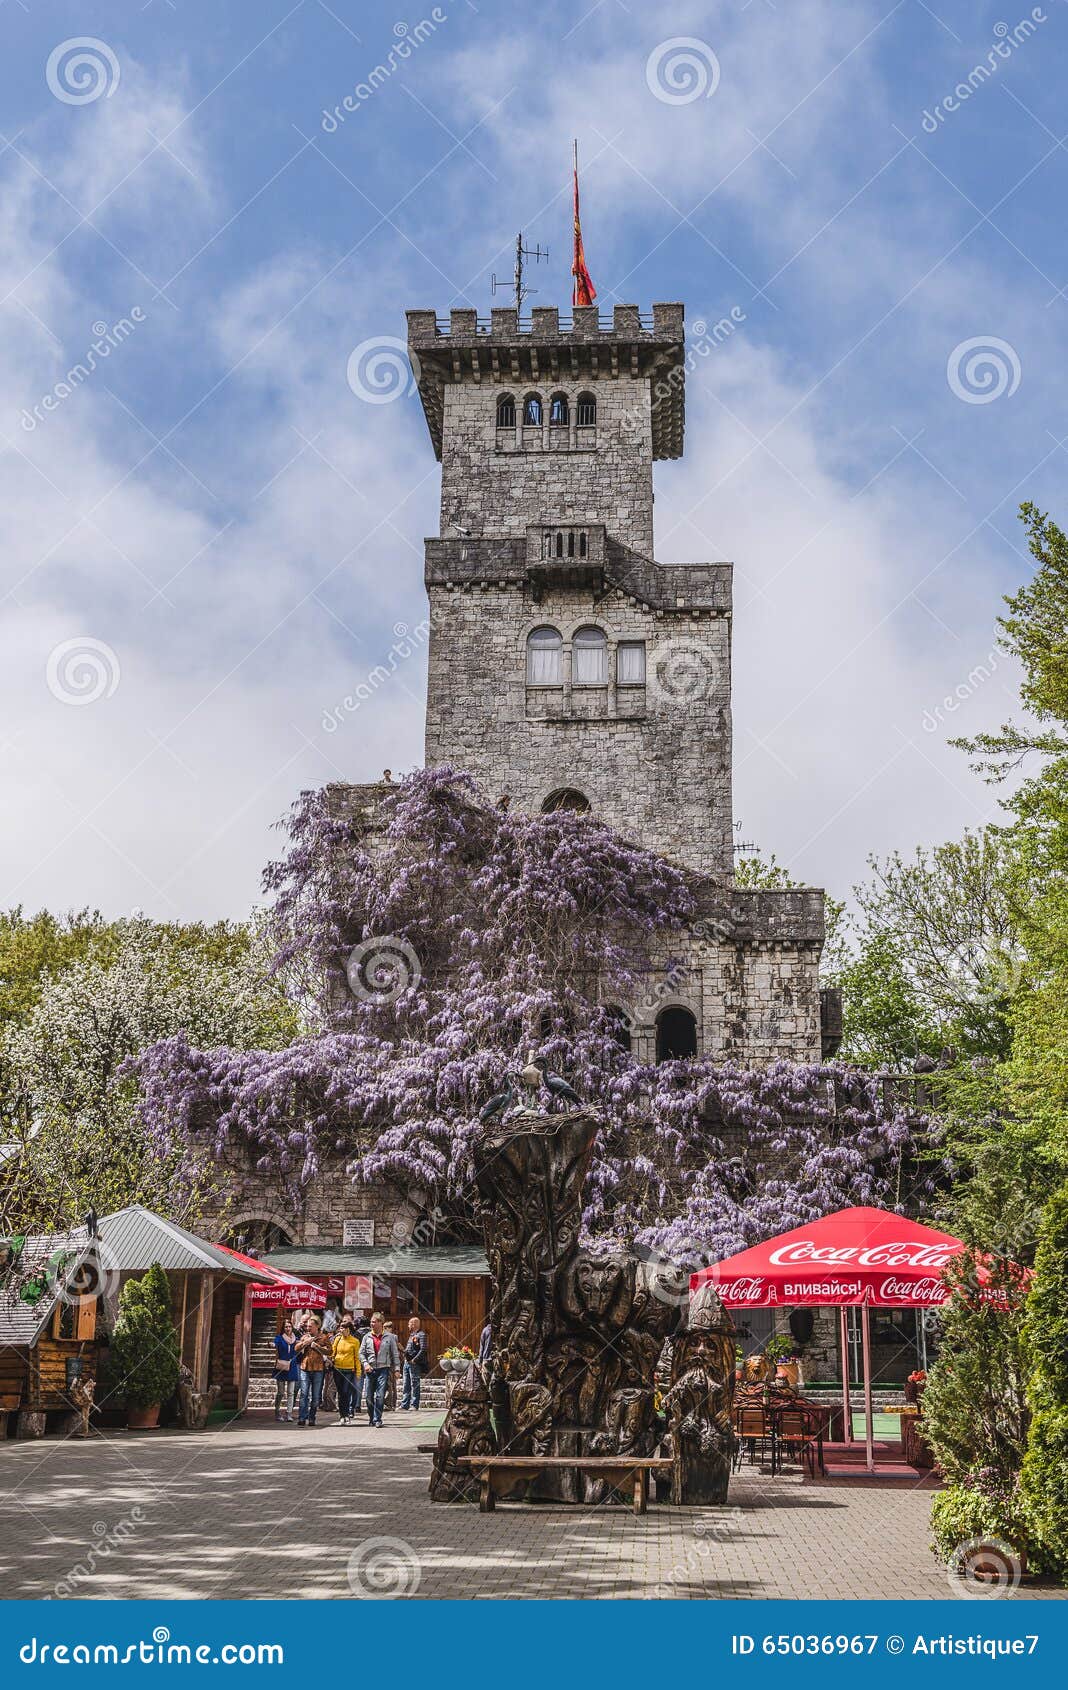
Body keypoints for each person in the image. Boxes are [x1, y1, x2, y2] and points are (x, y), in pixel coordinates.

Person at [359, 1313, 400, 1427]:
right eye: (371, 1322)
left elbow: (395, 1354)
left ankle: (378, 1419)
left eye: (374, 1322)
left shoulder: (390, 1337)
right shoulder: (366, 1337)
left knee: (380, 1395)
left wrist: (397, 1369)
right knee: (368, 1396)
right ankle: (371, 1417)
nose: (372, 1324)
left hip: (383, 1369)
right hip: (370, 1369)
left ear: (381, 1323)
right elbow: (361, 1353)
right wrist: (365, 1364)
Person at [295, 1315, 332, 1426]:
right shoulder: (305, 1336)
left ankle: (312, 1417)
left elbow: (330, 1351)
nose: (308, 1328)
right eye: (307, 1326)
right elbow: (295, 1348)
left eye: (310, 1326)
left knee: (315, 1396)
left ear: (317, 1326)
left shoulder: (323, 1337)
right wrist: (304, 1343)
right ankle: (302, 1417)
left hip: (318, 1369)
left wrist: (317, 1347)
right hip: (305, 1368)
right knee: (304, 1394)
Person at [332, 1314, 362, 1424]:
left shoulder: (355, 1341)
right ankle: (342, 1415)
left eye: (343, 1328)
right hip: (337, 1369)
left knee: (346, 1392)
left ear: (348, 1329)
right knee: (340, 1393)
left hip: (349, 1370)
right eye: (340, 1327)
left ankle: (347, 1414)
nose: (341, 1330)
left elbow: (357, 1358)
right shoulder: (337, 1339)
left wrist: (358, 1372)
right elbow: (333, 1353)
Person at [272, 1317, 300, 1422]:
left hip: (292, 1366)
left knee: (291, 1392)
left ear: (292, 1327)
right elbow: (275, 1344)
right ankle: (277, 1411)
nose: (288, 1328)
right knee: (280, 1392)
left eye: (289, 1326)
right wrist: (272, 1345)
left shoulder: (295, 1339)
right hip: (282, 1366)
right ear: (283, 1328)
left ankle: (289, 1413)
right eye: (286, 1327)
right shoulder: (279, 1338)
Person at [401, 1316, 429, 1411]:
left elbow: (423, 1349)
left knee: (414, 1384)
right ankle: (405, 1405)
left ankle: (414, 1404)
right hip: (406, 1363)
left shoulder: (421, 1335)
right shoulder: (412, 1335)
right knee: (406, 1384)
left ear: (413, 1324)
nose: (408, 1325)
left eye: (409, 1324)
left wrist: (414, 1360)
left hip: (414, 1364)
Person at [383, 1320, 398, 1410]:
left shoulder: (393, 1337)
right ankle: (391, 1403)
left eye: (385, 1328)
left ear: (390, 1328)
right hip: (386, 1363)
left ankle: (390, 1404)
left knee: (390, 1384)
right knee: (390, 1384)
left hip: (390, 1364)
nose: (384, 1329)